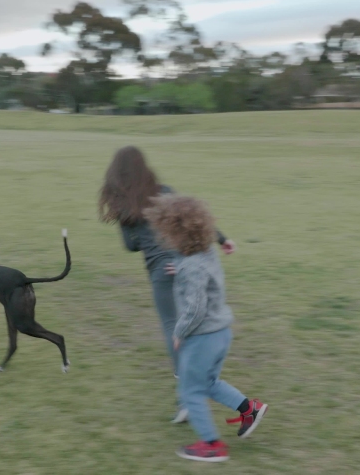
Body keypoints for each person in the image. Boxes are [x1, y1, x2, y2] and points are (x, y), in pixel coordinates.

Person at [98, 146, 236, 423]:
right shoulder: (163, 191)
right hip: (186, 262)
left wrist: (137, 230)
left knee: (173, 329)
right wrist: (222, 239)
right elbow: (191, 217)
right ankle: (203, 378)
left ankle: (188, 395)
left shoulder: (123, 205)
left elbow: (130, 246)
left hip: (161, 272)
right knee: (197, 320)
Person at [143, 194, 267, 462]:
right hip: (221, 332)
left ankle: (211, 445)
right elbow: (201, 276)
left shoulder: (190, 267)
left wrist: (179, 332)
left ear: (176, 235)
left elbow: (195, 308)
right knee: (208, 382)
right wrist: (181, 268)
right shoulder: (206, 252)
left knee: (191, 391)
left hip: (203, 336)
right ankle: (249, 409)